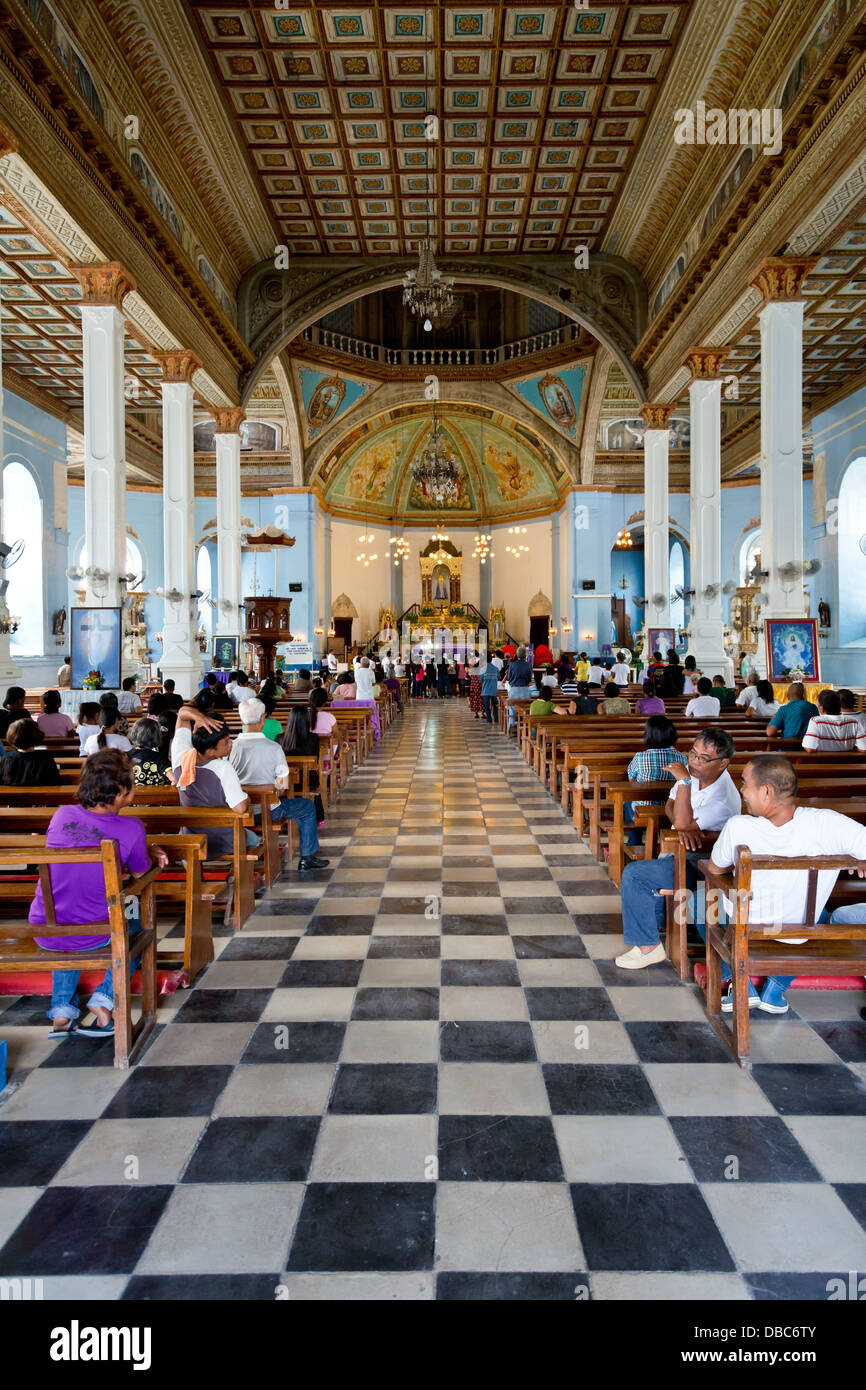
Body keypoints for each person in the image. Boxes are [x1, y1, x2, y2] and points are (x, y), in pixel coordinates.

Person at [706, 754, 866, 1014]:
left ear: (766, 792)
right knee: (820, 912)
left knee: (700, 903)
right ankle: (775, 990)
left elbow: (714, 870)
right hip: (799, 930)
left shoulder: (738, 827)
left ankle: (740, 983)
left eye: (745, 783)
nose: (742, 791)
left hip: (745, 928)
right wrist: (859, 860)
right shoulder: (828, 823)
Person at [30, 749, 169, 1039]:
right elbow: (141, 873)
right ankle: (104, 1000)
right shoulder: (131, 827)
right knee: (134, 927)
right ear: (119, 791)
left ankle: (61, 1014)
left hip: (44, 926)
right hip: (95, 933)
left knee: (66, 926)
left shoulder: (62, 814)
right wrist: (152, 850)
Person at [615, 728, 740, 969]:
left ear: (723, 763)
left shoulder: (722, 799)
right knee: (644, 877)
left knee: (634, 875)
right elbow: (670, 805)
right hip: (683, 852)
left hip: (704, 867)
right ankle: (658, 925)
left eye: (703, 758)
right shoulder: (696, 775)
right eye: (692, 753)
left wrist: (683, 793)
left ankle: (648, 947)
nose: (693, 761)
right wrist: (683, 827)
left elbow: (680, 819)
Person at [227, 697, 326, 864]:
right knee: (307, 807)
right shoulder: (273, 747)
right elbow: (282, 787)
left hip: (237, 811)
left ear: (241, 720)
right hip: (268, 811)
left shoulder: (230, 747)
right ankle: (307, 857)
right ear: (262, 719)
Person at [623, 716, 689, 844]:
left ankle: (634, 841)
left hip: (645, 809)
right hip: (674, 808)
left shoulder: (640, 757)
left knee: (627, 803)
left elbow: (631, 780)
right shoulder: (682, 757)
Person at [280, 705, 325, 824]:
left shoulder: (280, 738)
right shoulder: (313, 738)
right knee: (313, 777)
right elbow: (316, 761)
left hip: (285, 782)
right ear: (307, 721)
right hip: (308, 780)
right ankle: (318, 815)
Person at [0, 718, 61, 785]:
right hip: (42, 794)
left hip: (10, 795)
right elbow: (55, 782)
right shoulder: (46, 759)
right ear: (38, 735)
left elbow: (2, 781)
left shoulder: (6, 758)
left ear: (11, 736)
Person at [128, 717, 174, 785]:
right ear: (156, 737)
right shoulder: (160, 758)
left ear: (133, 733)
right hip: (157, 795)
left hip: (129, 795)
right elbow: (174, 779)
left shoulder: (124, 757)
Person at [480, 654, 501, 724]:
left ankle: (489, 720)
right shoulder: (496, 669)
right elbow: (499, 678)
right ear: (491, 660)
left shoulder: (482, 669)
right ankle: (496, 720)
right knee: (495, 706)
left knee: (487, 706)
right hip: (494, 690)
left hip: (485, 690)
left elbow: (480, 679)